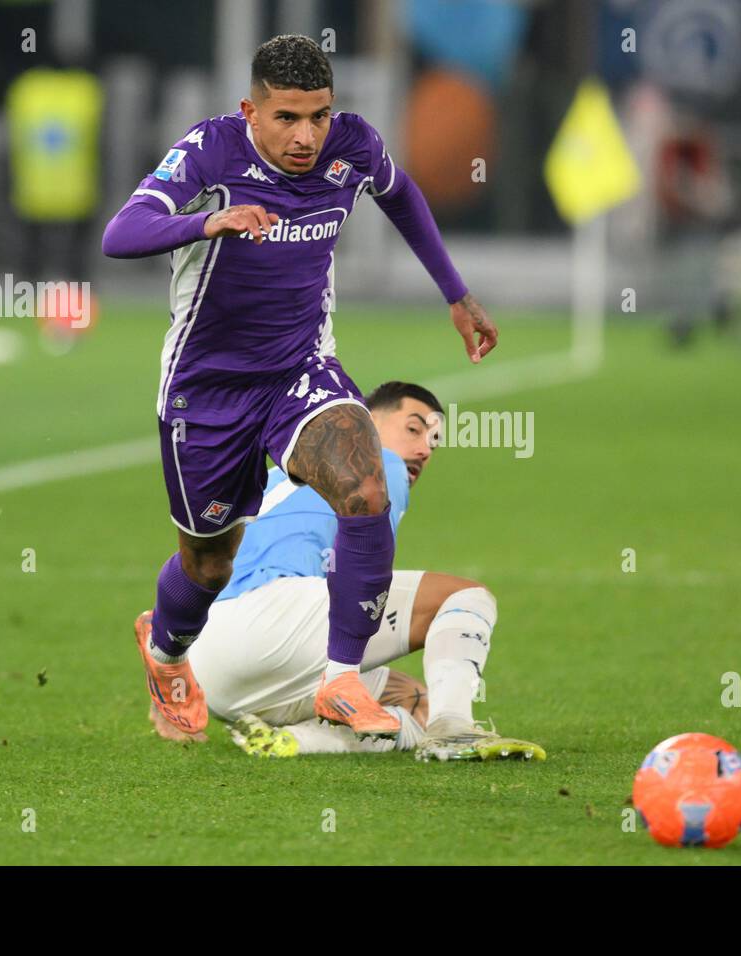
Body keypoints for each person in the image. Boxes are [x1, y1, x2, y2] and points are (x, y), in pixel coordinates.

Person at [102, 35, 498, 740]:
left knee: (365, 489)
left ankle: (340, 678)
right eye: (287, 117)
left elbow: (401, 194)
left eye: (318, 115)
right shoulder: (210, 150)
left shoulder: (353, 146)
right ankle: (164, 652)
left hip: (299, 369)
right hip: (208, 390)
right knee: (208, 560)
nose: (306, 135)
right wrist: (207, 220)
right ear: (251, 110)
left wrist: (456, 295)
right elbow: (121, 233)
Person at [136, 381, 543, 762]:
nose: (423, 450)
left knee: (417, 702)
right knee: (464, 597)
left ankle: (294, 741)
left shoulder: (282, 471)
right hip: (271, 621)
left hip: (211, 674)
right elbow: (365, 578)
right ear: (364, 423)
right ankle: (455, 731)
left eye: (434, 441)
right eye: (414, 429)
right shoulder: (378, 465)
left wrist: (168, 688)